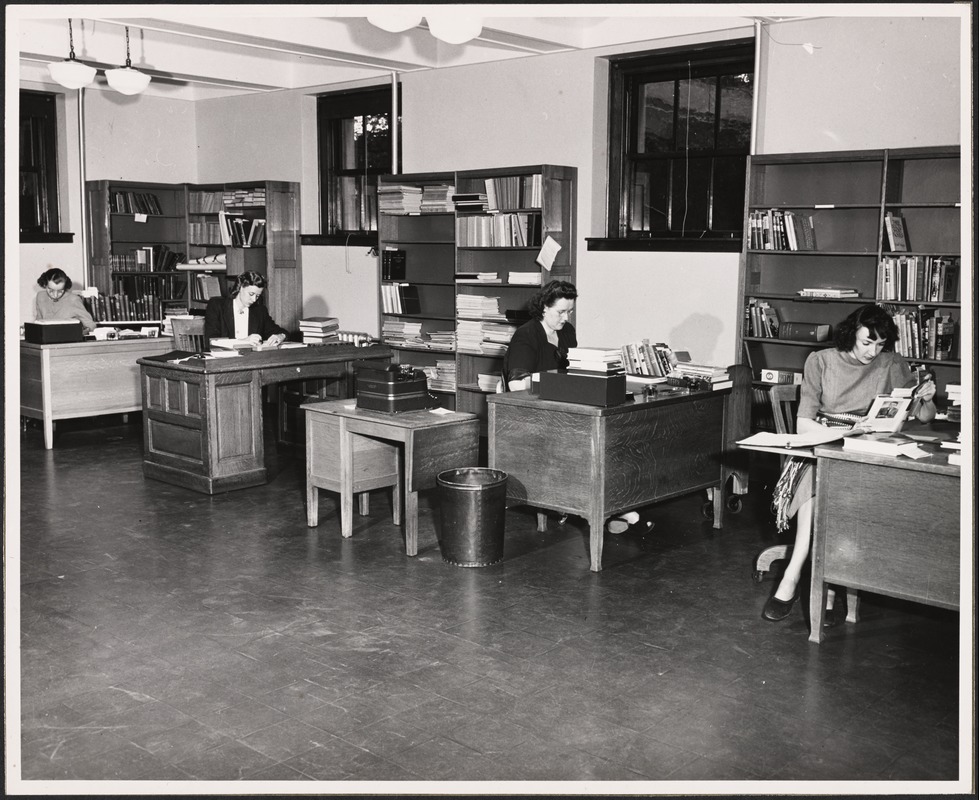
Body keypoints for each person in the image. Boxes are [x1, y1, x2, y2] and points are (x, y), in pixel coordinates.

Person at [762, 303, 936, 624]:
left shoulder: (892, 364)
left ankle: (828, 585)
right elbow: (804, 426)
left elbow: (924, 419)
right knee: (819, 481)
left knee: (853, 490)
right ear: (850, 334)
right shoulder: (822, 361)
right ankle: (795, 574)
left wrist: (926, 398)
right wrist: (848, 430)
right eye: (866, 342)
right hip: (822, 443)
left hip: (868, 449)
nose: (872, 351)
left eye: (880, 344)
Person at [502, 279, 578, 391]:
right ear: (545, 308)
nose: (566, 318)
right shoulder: (526, 334)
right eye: (561, 312)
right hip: (531, 400)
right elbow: (516, 385)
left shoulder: (568, 331)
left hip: (560, 395)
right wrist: (556, 381)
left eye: (569, 311)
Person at [203, 271, 288, 347]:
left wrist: (280, 336)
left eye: (257, 296)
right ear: (240, 288)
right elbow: (211, 341)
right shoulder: (217, 305)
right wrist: (243, 341)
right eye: (251, 294)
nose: (254, 299)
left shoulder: (259, 310)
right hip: (223, 360)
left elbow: (281, 331)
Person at [34, 268, 97, 334]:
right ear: (45, 285)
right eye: (51, 290)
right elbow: (38, 322)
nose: (55, 295)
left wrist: (77, 333)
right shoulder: (40, 297)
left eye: (60, 291)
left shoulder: (74, 300)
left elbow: (90, 325)